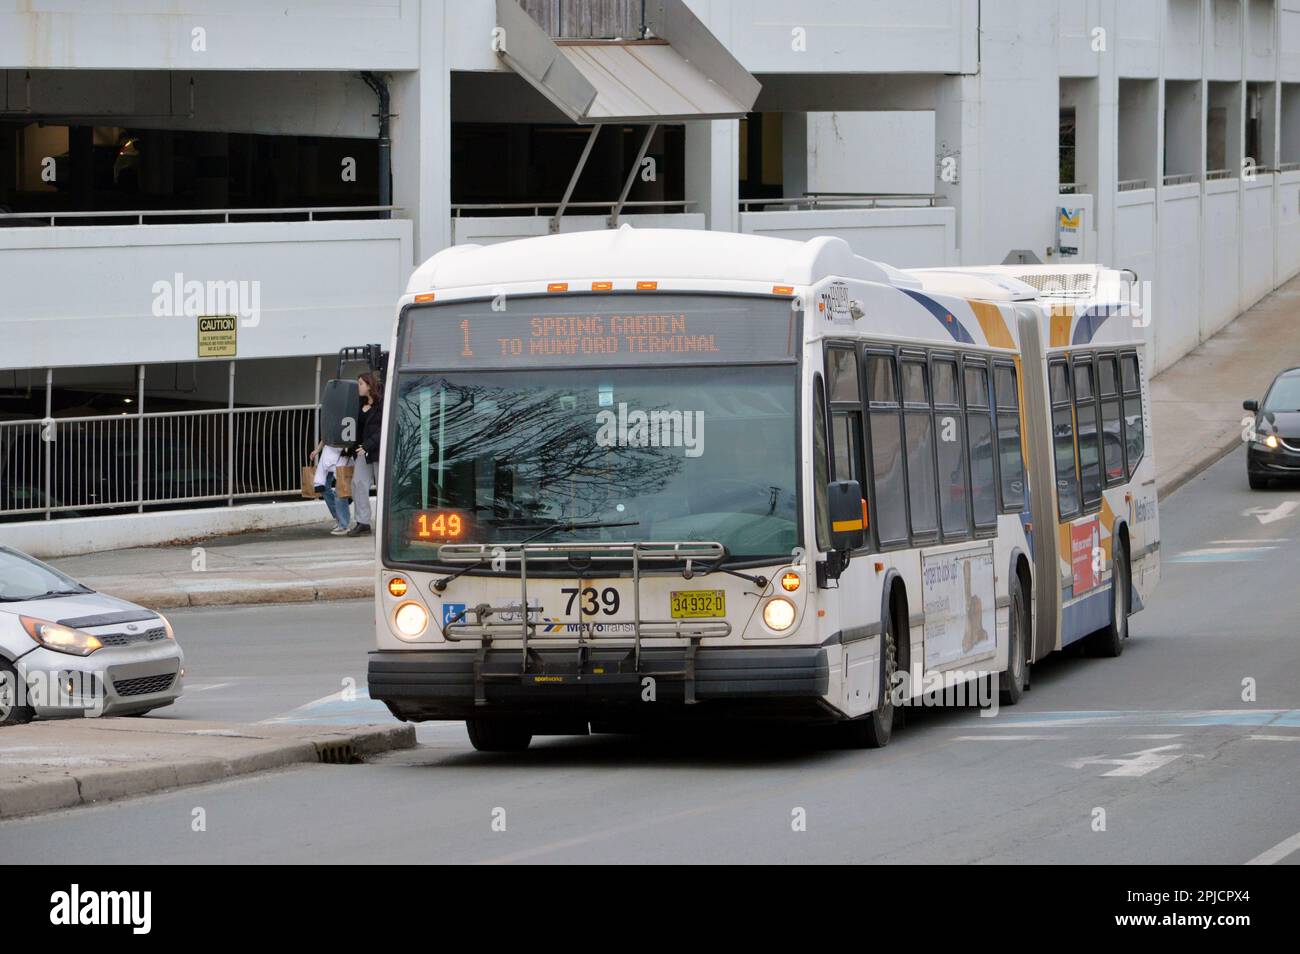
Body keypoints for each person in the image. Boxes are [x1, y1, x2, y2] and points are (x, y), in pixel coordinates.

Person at [344, 371, 383, 536]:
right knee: (358, 484)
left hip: (378, 452)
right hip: (361, 452)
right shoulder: (359, 405)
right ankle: (363, 522)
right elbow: (355, 428)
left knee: (382, 487)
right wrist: (349, 446)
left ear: (369, 385)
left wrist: (367, 445)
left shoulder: (382, 405)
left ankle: (385, 522)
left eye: (360, 383)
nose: (358, 386)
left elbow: (382, 430)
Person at [309, 438, 351, 536]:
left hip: (342, 455)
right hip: (328, 455)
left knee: (340, 490)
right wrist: (317, 450)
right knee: (323, 487)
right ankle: (339, 518)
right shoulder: (330, 422)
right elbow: (326, 435)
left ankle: (343, 524)